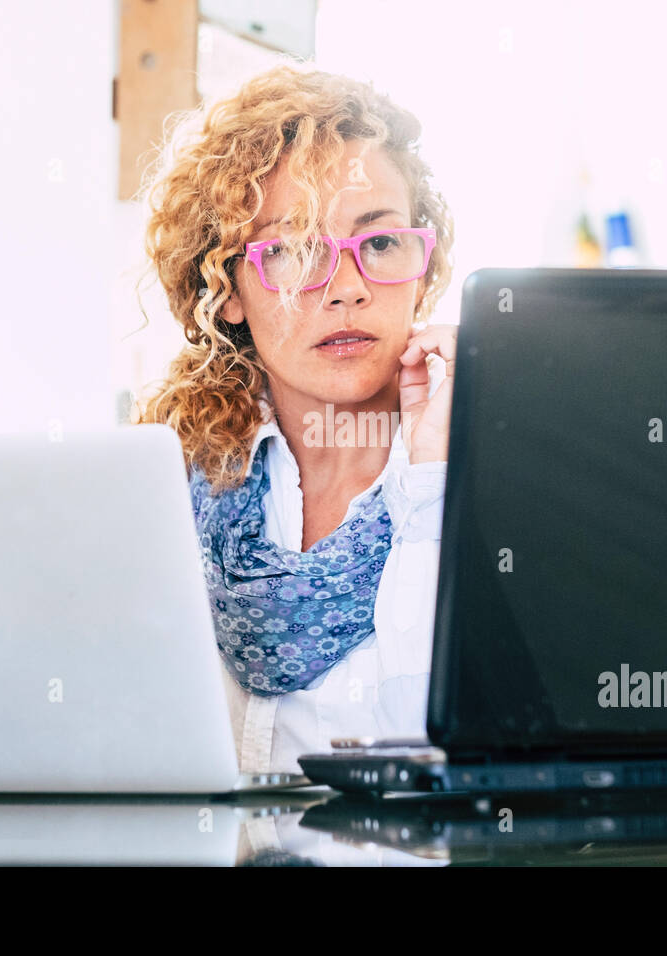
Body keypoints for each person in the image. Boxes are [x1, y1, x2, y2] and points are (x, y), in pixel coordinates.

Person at [137, 63, 456, 774]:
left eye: (379, 243)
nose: (346, 288)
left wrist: (435, 478)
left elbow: (446, 759)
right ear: (226, 290)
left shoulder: (486, 470)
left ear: (422, 266)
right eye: (292, 251)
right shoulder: (165, 485)